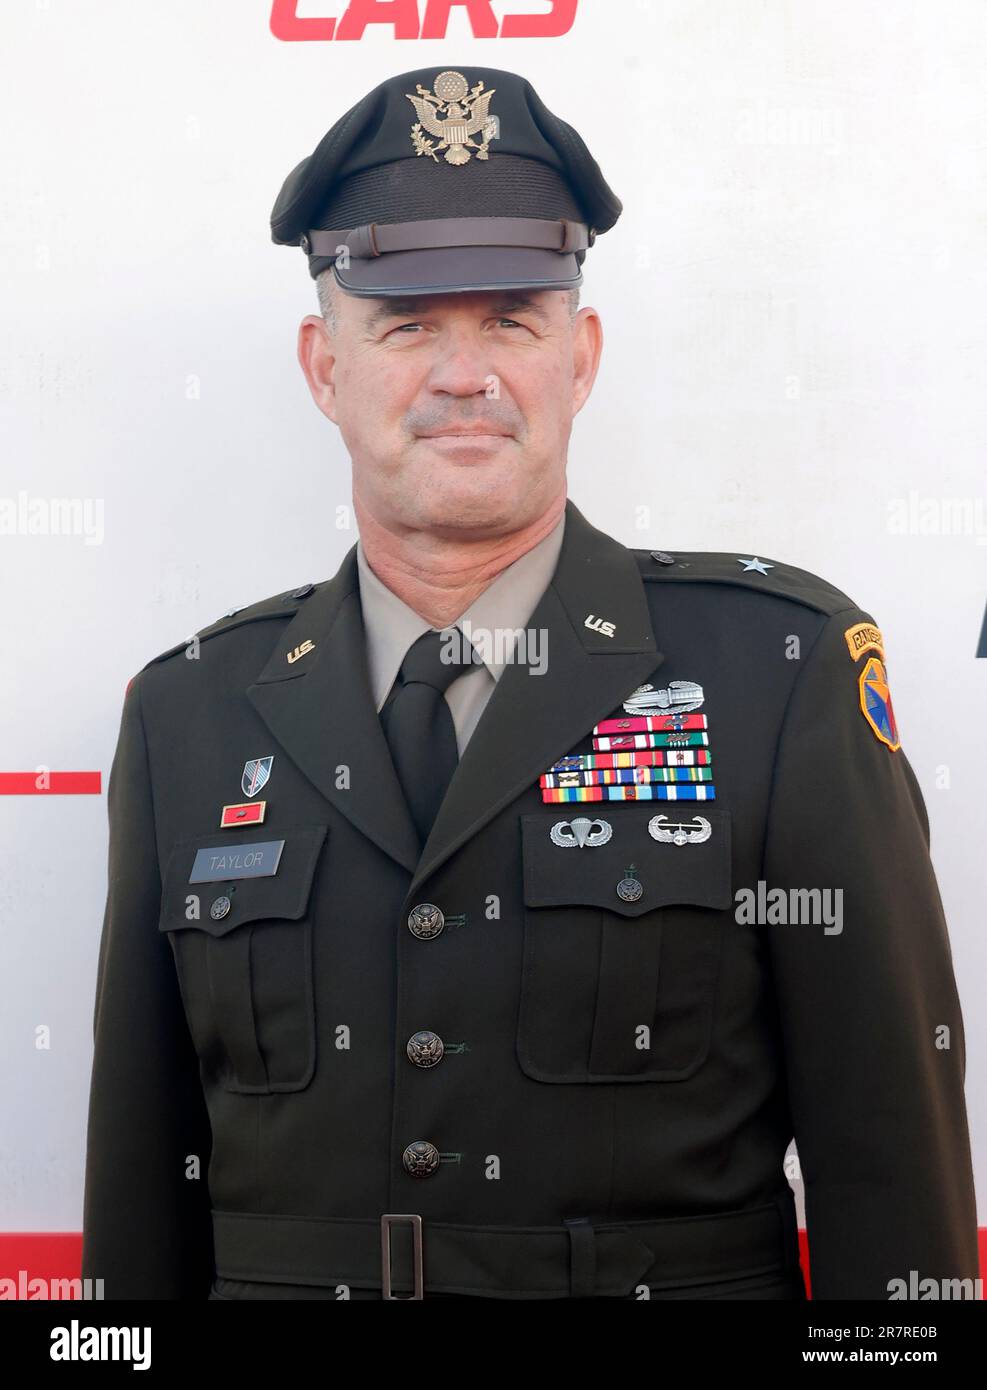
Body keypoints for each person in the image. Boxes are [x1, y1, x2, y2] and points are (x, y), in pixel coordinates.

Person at [81, 64, 978, 1301]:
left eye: (513, 317)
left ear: (582, 353)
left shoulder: (777, 677)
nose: (466, 374)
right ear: (323, 367)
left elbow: (890, 1168)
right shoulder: (186, 714)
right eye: (406, 325)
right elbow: (141, 1195)